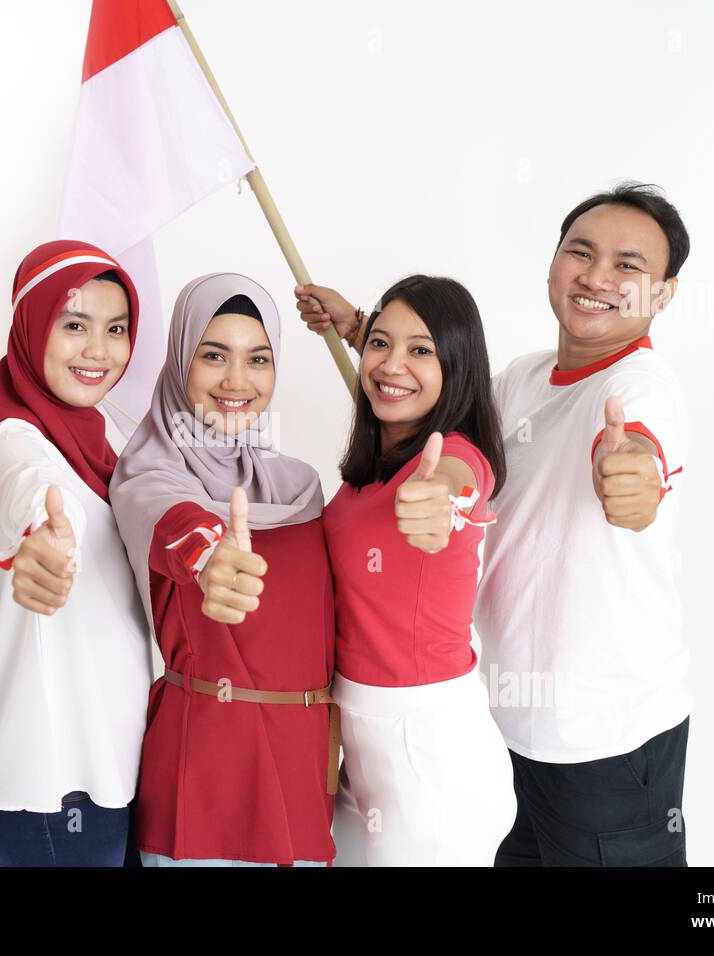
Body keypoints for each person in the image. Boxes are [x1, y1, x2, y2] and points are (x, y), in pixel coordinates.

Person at [296, 181, 692, 867]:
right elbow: (448, 387)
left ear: (663, 293)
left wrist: (635, 475)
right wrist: (364, 330)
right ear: (553, 265)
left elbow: (634, 455)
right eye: (581, 252)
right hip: (501, 723)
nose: (597, 276)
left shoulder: (640, 389)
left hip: (606, 740)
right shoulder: (523, 380)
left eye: (627, 265)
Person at [110, 273, 336, 867]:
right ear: (181, 361)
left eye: (257, 359)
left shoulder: (302, 484)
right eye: (214, 356)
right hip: (205, 772)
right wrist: (209, 556)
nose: (237, 382)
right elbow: (170, 517)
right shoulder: (149, 471)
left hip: (304, 773)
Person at [0, 240, 152, 866]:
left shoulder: (103, 446)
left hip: (106, 774)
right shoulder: (8, 441)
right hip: (49, 788)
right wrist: (42, 541)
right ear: (31, 328)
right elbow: (30, 493)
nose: (99, 350)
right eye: (74, 325)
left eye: (115, 328)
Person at [298, 274, 512, 865]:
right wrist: (353, 323)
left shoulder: (455, 456)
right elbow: (392, 361)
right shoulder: (374, 463)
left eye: (422, 350)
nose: (392, 364)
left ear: (457, 366)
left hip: (429, 750)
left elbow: (458, 486)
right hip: (357, 741)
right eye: (380, 344)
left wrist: (441, 503)